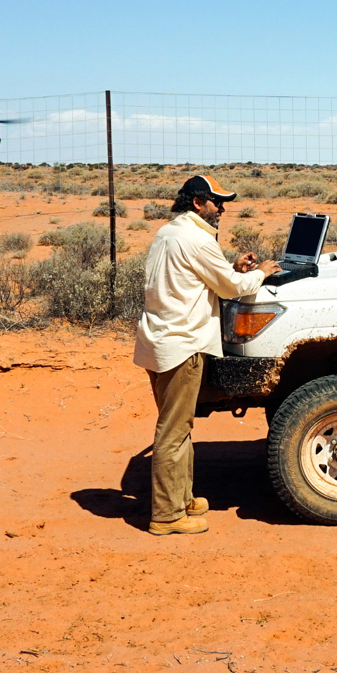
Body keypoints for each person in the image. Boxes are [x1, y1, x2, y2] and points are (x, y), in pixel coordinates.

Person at [133, 175, 272, 535]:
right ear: (197, 203)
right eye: (216, 202)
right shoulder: (197, 238)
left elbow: (202, 277)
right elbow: (229, 287)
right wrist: (259, 274)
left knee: (178, 426)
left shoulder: (169, 232)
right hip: (183, 344)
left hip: (158, 341)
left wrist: (234, 268)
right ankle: (166, 515)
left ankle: (183, 499)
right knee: (174, 431)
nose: (221, 209)